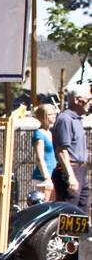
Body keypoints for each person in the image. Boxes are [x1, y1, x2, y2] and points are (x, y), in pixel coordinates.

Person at [51, 84, 90, 212]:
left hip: (81, 170)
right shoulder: (65, 119)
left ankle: (79, 233)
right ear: (77, 100)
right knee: (69, 211)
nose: (90, 103)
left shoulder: (77, 120)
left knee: (82, 210)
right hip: (70, 170)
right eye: (88, 100)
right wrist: (70, 176)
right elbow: (62, 150)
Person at [32, 103, 58, 201]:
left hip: (53, 173)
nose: (53, 116)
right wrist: (47, 178)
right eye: (50, 114)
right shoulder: (39, 134)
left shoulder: (50, 132)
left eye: (54, 114)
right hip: (44, 176)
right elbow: (40, 157)